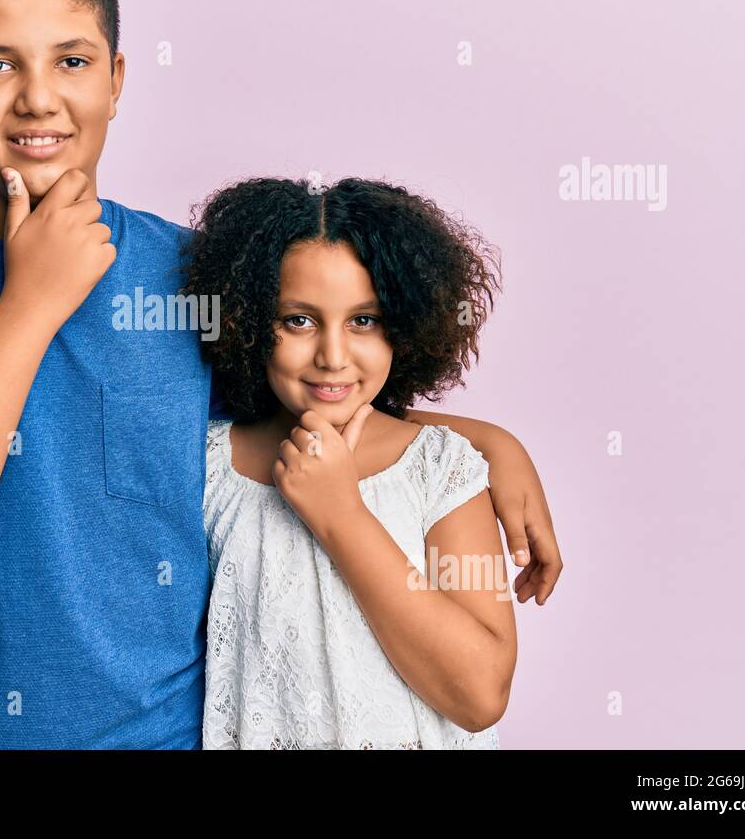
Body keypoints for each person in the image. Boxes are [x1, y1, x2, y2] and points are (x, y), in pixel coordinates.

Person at [0, 0, 561, 749]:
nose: (38, 97)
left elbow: (302, 410)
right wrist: (32, 301)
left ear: (117, 79)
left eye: (72, 60)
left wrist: (487, 443)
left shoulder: (195, 276)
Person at [182, 176, 516, 748]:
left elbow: (481, 694)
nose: (332, 356)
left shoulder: (439, 467)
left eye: (364, 320)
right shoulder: (207, 468)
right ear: (247, 321)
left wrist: (342, 516)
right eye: (298, 320)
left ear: (405, 327)